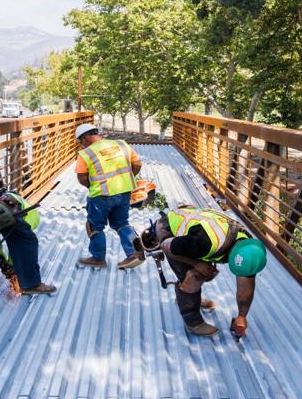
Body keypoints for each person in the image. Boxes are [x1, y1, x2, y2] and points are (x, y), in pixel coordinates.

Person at [141, 205, 268, 337]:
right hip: (168, 230)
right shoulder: (204, 243)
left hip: (194, 230)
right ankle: (193, 322)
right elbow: (166, 246)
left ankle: (191, 298)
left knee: (206, 270)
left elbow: (246, 286)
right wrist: (196, 263)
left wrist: (242, 316)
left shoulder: (248, 248)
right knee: (195, 276)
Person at [72, 123, 145, 270]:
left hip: (101, 196)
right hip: (124, 192)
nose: (81, 145)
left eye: (80, 141)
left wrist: (92, 186)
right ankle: (134, 254)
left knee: (94, 226)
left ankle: (98, 258)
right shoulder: (121, 144)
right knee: (122, 223)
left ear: (85, 138)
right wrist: (126, 179)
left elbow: (82, 177)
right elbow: (137, 164)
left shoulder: (86, 153)